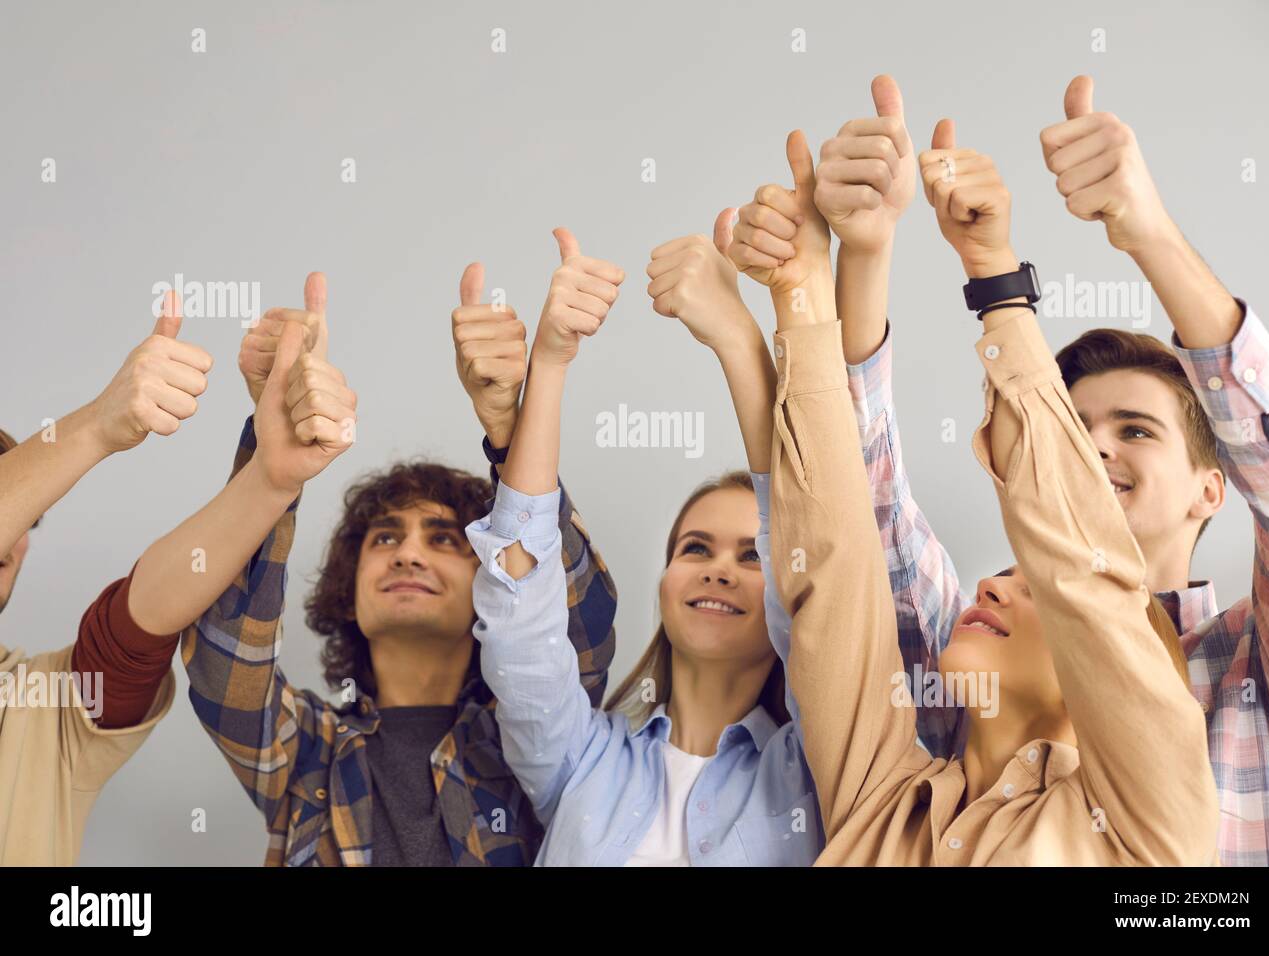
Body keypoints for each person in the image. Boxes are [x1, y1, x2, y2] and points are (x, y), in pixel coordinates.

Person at [817, 74, 1269, 865]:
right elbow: (862, 513)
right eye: (1074, 431)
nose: (1097, 449)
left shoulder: (1260, 669)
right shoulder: (978, 649)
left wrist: (1148, 232)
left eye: (1134, 429)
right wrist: (866, 252)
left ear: (1211, 489)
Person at [731, 121, 1218, 864]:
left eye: (1037, 590)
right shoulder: (887, 804)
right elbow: (832, 570)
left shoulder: (1148, 826)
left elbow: (1082, 572)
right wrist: (801, 296)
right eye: (1009, 576)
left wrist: (995, 275)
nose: (992, 583)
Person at [182, 262, 617, 866]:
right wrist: (273, 462)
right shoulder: (307, 752)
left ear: (492, 580)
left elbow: (581, 627)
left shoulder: (541, 740)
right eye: (385, 539)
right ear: (349, 587)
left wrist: (510, 432)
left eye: (443, 539)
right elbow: (220, 657)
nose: (409, 552)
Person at [467, 225, 821, 866]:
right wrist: (550, 362)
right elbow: (518, 616)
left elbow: (816, 556)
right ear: (664, 582)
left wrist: (737, 339)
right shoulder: (580, 758)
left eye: (752, 555)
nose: (719, 570)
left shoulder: (815, 771)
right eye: (695, 549)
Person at [0, 295, 205, 864]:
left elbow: (146, 616)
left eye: (26, 516)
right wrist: (97, 424)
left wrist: (273, 473)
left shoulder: (47, 705)